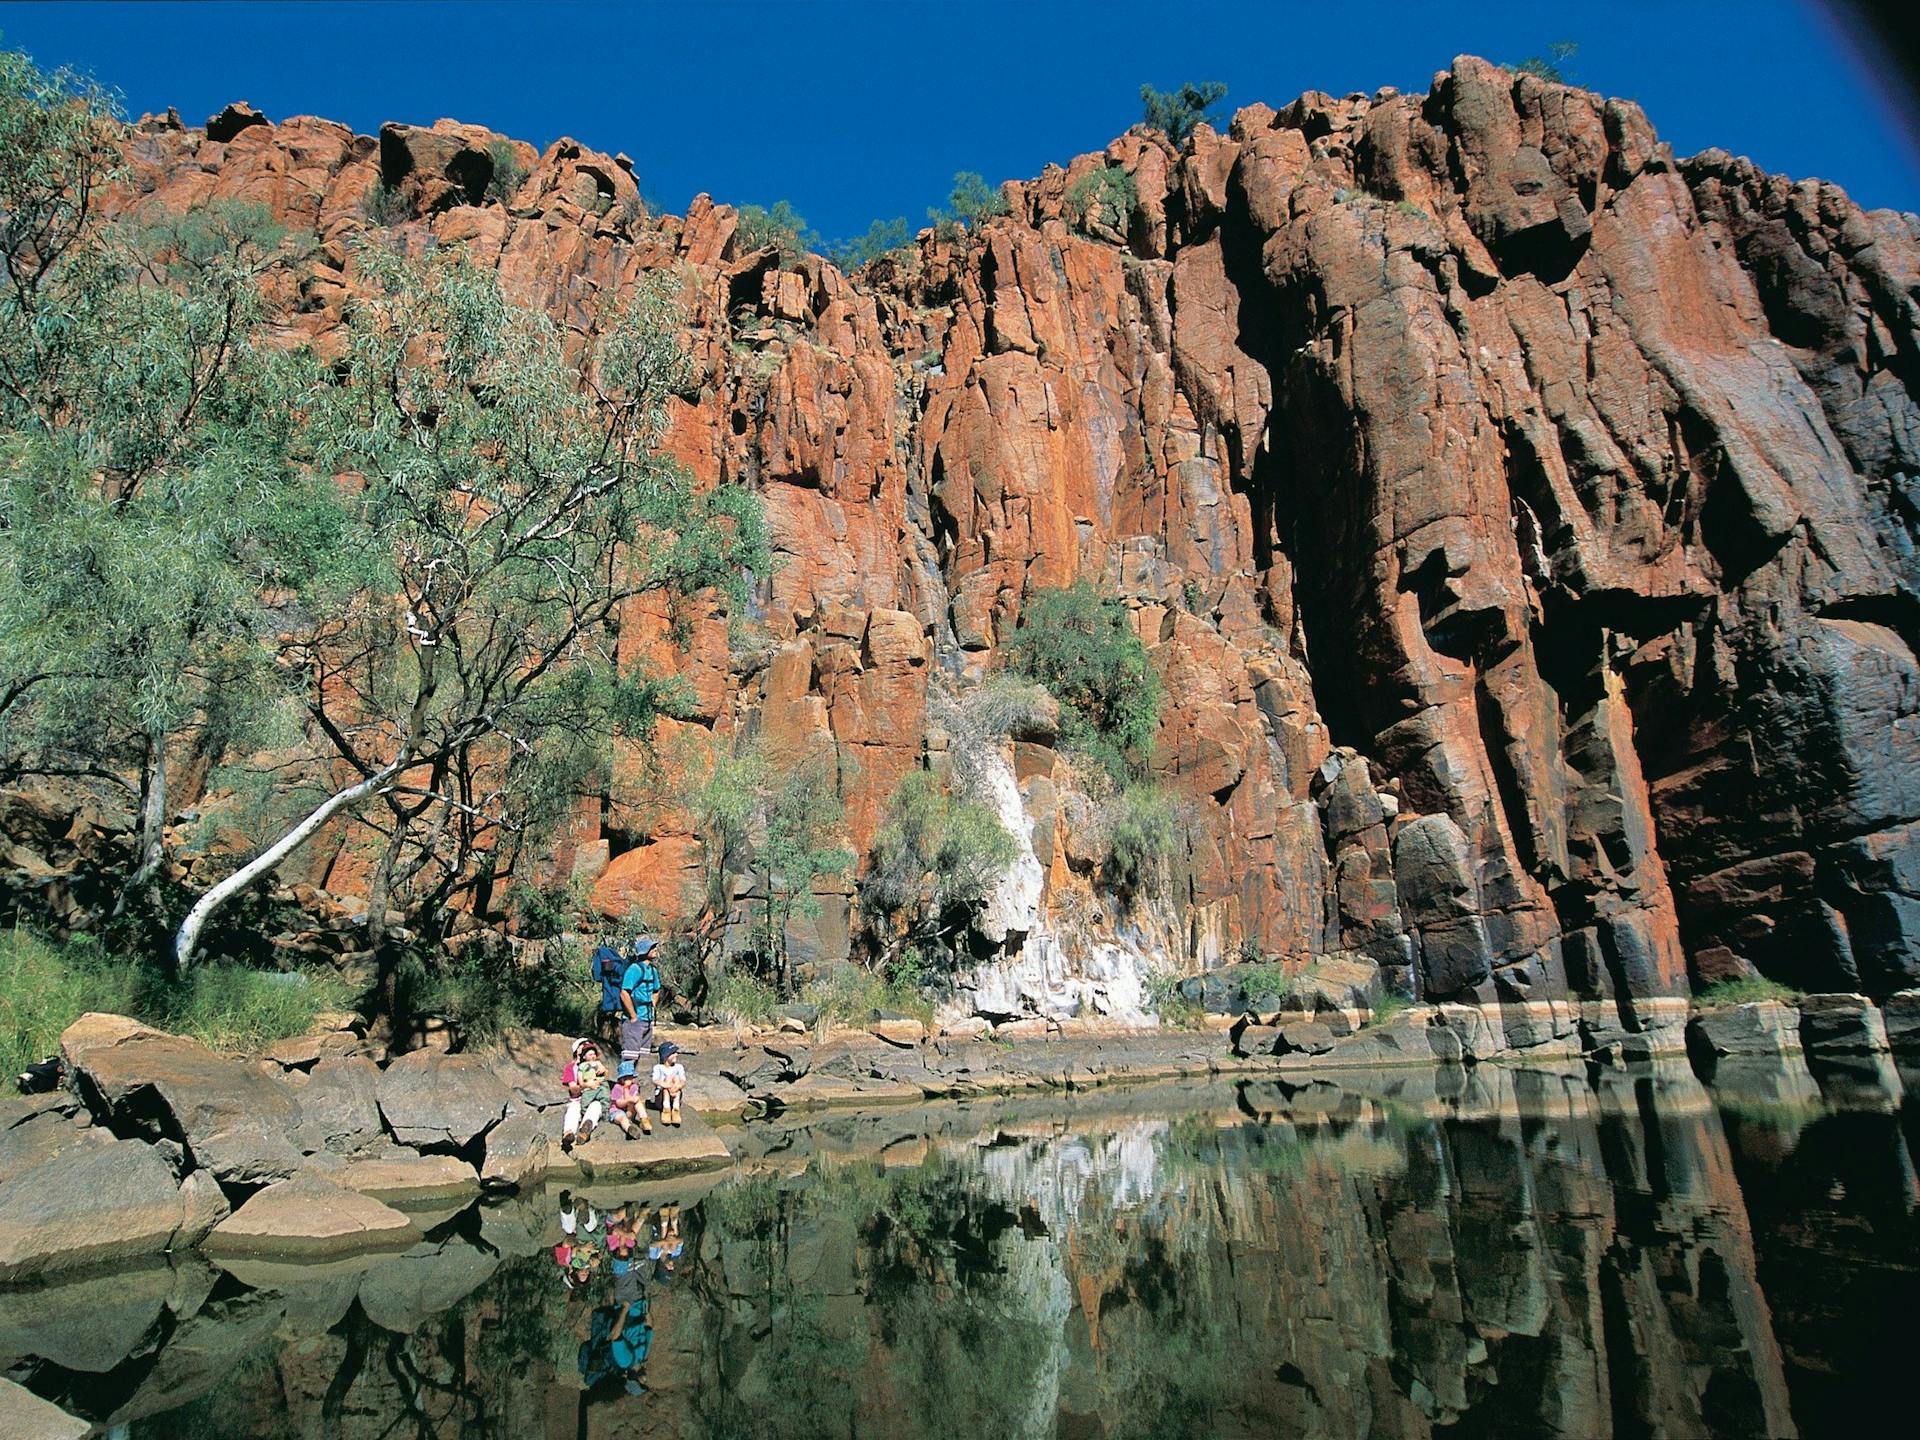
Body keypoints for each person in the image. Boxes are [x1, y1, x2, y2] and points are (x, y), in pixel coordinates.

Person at [618, 938, 663, 1069]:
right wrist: (633, 1016)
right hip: (634, 1021)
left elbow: (656, 990)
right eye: (651, 948)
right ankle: (624, 1081)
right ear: (644, 951)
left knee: (643, 1058)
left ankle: (636, 1081)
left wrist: (653, 1005)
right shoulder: (634, 969)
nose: (655, 949)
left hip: (647, 1020)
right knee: (630, 1057)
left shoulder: (653, 970)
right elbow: (624, 993)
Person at [562, 1038, 611, 1150]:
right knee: (573, 1109)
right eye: (583, 1045)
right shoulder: (571, 1068)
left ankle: (584, 1130)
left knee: (596, 1106)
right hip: (577, 1099)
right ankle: (568, 1132)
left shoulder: (596, 1064)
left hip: (593, 1098)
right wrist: (586, 1085)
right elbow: (573, 1088)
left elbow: (605, 1079)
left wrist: (603, 1069)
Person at [608, 1059, 652, 1139]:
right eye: (630, 1078)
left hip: (629, 1111)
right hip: (617, 1111)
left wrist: (632, 1097)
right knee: (622, 1119)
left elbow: (634, 1099)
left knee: (637, 1101)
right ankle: (629, 1129)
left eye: (632, 1077)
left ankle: (644, 1119)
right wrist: (626, 1093)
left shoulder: (634, 1086)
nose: (632, 1080)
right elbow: (619, 1104)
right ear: (622, 1079)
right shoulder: (617, 1087)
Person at [651, 1042, 687, 1127]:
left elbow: (683, 1081)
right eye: (673, 1053)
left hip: (674, 1094)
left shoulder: (679, 1067)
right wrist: (668, 1086)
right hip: (662, 1097)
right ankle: (666, 1108)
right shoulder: (658, 1067)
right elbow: (655, 1080)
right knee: (668, 1079)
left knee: (676, 1078)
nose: (676, 1054)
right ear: (665, 1056)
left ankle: (675, 1108)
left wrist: (676, 1087)